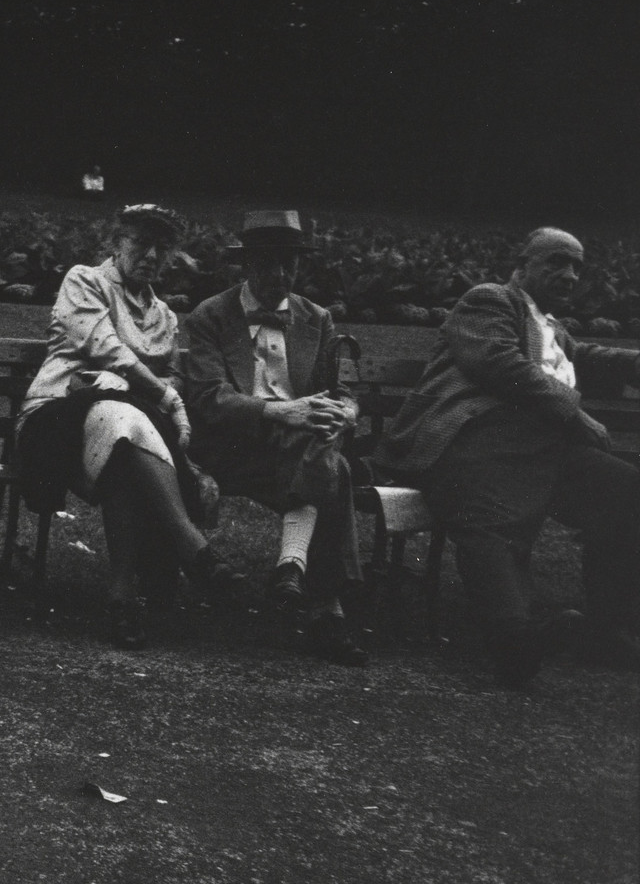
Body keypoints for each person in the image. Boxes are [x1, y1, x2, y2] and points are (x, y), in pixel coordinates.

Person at [377, 227, 640, 686]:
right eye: (556, 261)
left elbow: (587, 357)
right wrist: (574, 414)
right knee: (492, 521)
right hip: (476, 439)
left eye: (577, 266)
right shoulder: (490, 300)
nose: (570, 274)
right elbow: (497, 362)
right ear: (522, 266)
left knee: (625, 491)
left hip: (542, 450)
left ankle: (605, 632)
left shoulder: (550, 325)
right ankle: (514, 641)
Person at [15, 204, 249, 649]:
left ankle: (123, 598)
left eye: (163, 248)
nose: (151, 254)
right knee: (122, 416)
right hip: (55, 420)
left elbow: (172, 375)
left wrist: (153, 388)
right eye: (140, 242)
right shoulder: (84, 281)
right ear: (116, 244)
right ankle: (193, 548)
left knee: (123, 437)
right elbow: (106, 348)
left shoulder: (163, 315)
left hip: (123, 437)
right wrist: (158, 393)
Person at [185, 211, 367, 666]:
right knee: (333, 467)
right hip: (234, 449)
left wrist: (344, 413)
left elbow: (342, 390)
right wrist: (285, 411)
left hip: (299, 450)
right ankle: (326, 603)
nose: (279, 275)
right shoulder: (211, 315)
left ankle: (296, 573)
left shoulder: (316, 318)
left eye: (289, 265)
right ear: (246, 266)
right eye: (267, 264)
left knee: (324, 443)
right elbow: (209, 399)